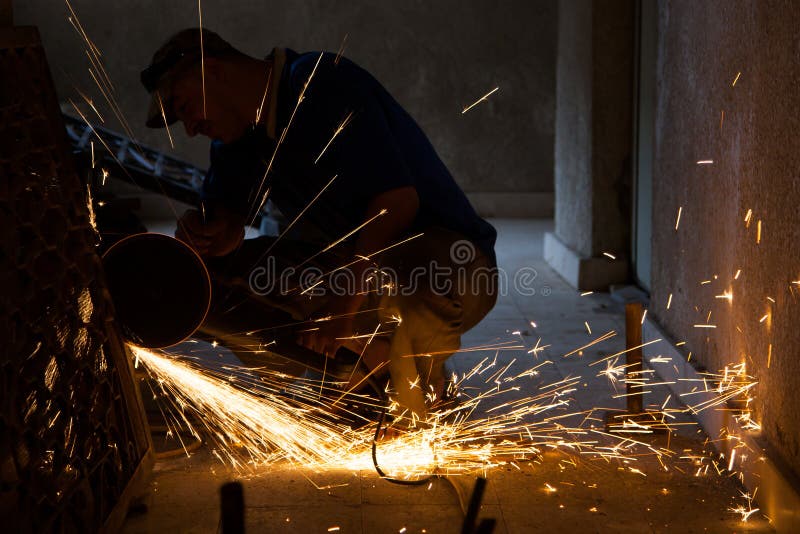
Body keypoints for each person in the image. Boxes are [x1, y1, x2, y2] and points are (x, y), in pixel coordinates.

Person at [141, 28, 498, 426]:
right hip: (348, 273)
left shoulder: (319, 82)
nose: (189, 127)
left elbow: (397, 203)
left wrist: (341, 311)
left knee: (421, 282)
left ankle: (410, 384)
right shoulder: (235, 141)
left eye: (184, 105)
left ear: (211, 71)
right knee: (200, 281)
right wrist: (215, 233)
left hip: (448, 262)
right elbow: (227, 217)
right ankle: (344, 365)